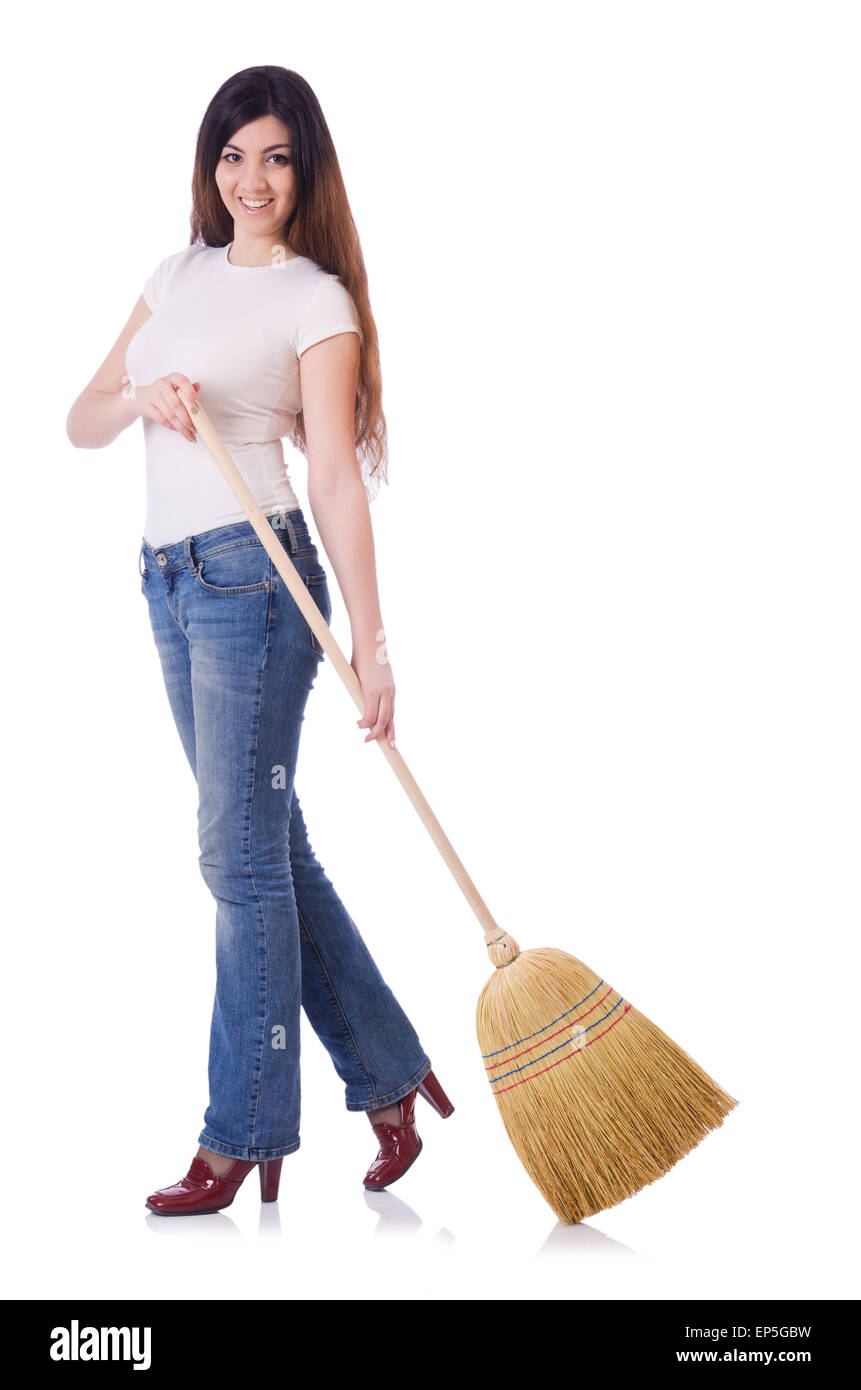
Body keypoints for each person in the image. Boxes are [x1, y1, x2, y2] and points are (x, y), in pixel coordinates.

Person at [65, 64, 454, 1216]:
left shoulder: (314, 299)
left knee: (234, 858)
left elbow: (333, 473)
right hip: (166, 579)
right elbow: (77, 418)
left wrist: (374, 640)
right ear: (212, 164)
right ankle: (389, 1072)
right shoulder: (174, 272)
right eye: (235, 155)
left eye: (277, 157)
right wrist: (147, 397)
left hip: (257, 579)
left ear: (305, 169)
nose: (253, 179)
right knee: (265, 850)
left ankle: (241, 1132)